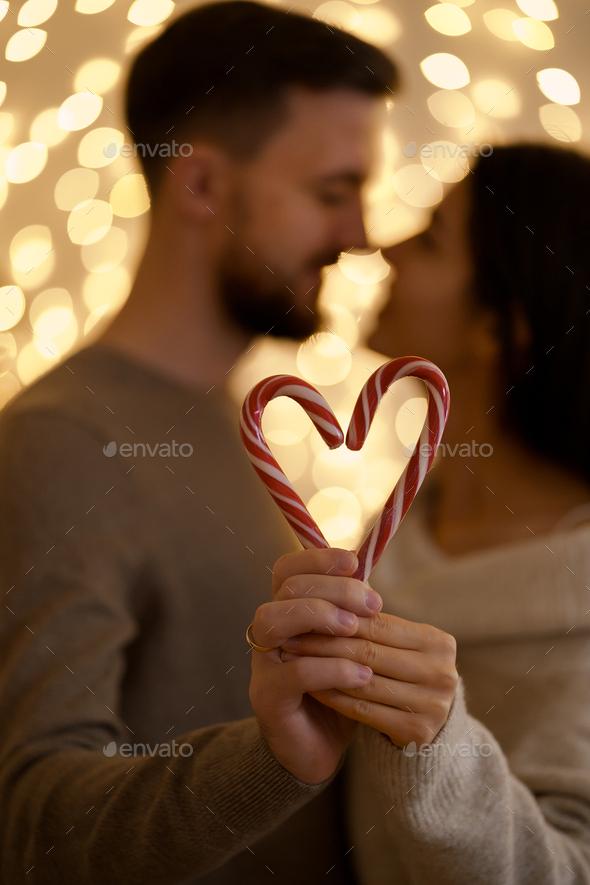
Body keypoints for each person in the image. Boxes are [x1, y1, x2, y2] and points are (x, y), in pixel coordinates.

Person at [0, 4, 399, 882]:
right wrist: (273, 758)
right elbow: (31, 825)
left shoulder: (234, 421)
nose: (359, 234)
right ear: (205, 186)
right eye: (332, 192)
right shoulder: (66, 440)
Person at [251, 144, 590, 883]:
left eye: (432, 236)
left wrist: (443, 748)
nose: (384, 244)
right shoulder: (409, 520)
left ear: (499, 329)